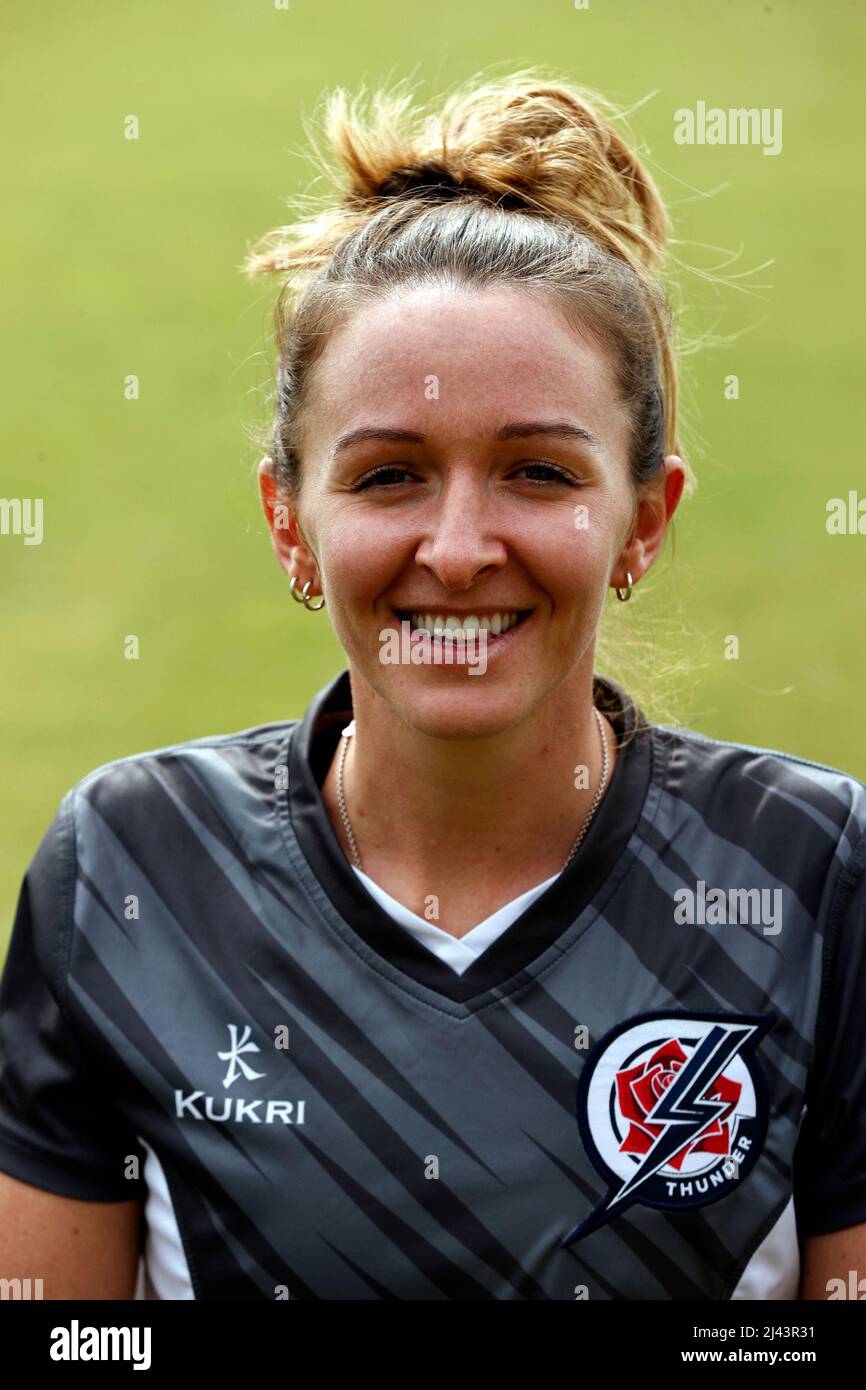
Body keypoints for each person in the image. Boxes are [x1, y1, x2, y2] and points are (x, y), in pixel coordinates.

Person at [0, 70, 864, 1301]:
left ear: (644, 518)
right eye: (390, 476)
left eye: (537, 473)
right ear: (287, 519)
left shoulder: (812, 874)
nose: (457, 550)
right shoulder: (133, 868)